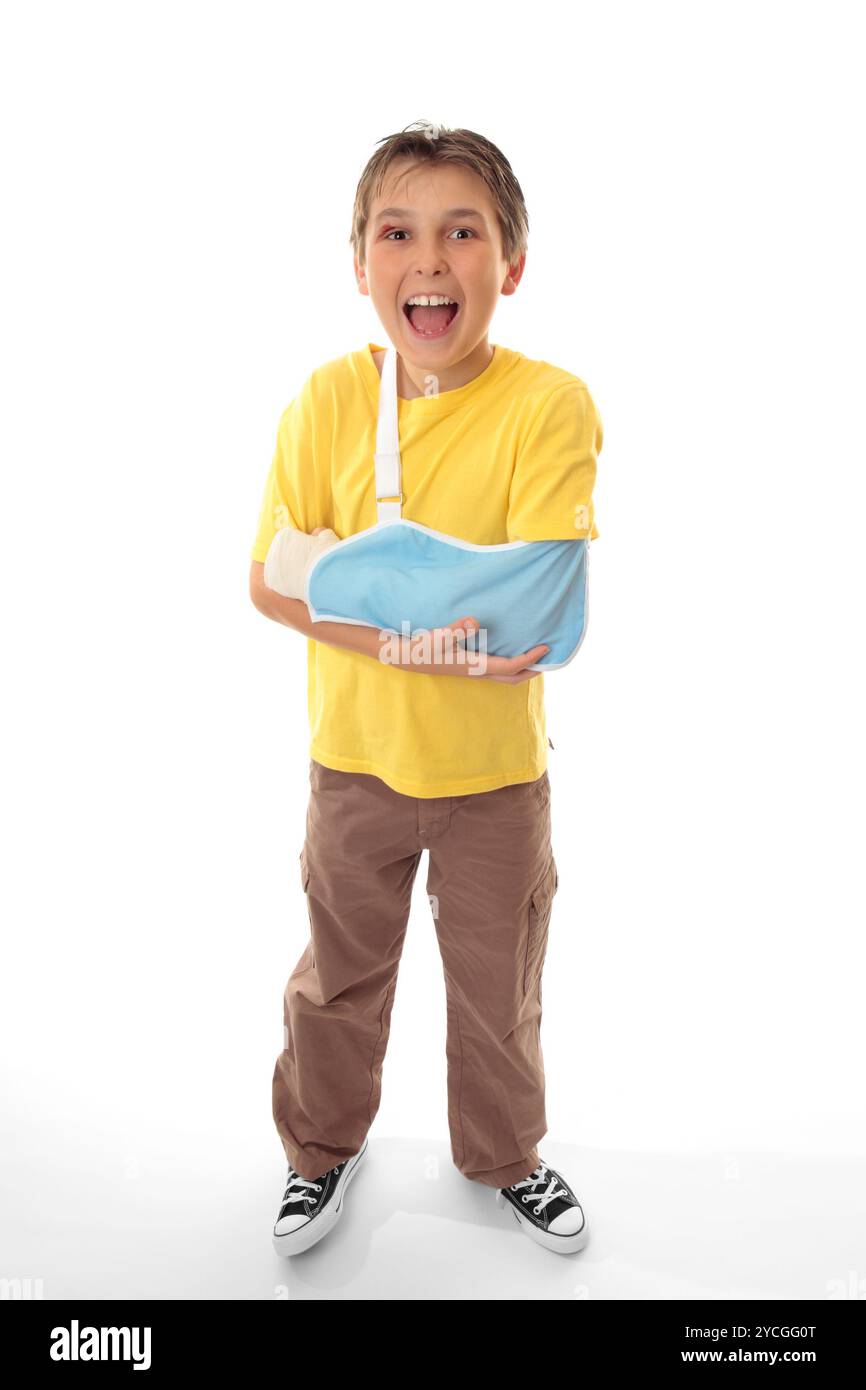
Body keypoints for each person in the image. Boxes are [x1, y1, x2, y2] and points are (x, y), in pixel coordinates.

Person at [249, 120, 603, 1259]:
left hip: (493, 776)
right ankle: (318, 1155)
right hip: (353, 762)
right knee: (337, 978)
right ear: (362, 266)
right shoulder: (324, 405)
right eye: (398, 233)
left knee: (496, 987)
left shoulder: (546, 406)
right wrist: (418, 627)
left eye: (464, 232)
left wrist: (353, 581)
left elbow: (535, 616)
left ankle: (504, 1156)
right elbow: (269, 581)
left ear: (510, 263)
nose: (431, 259)